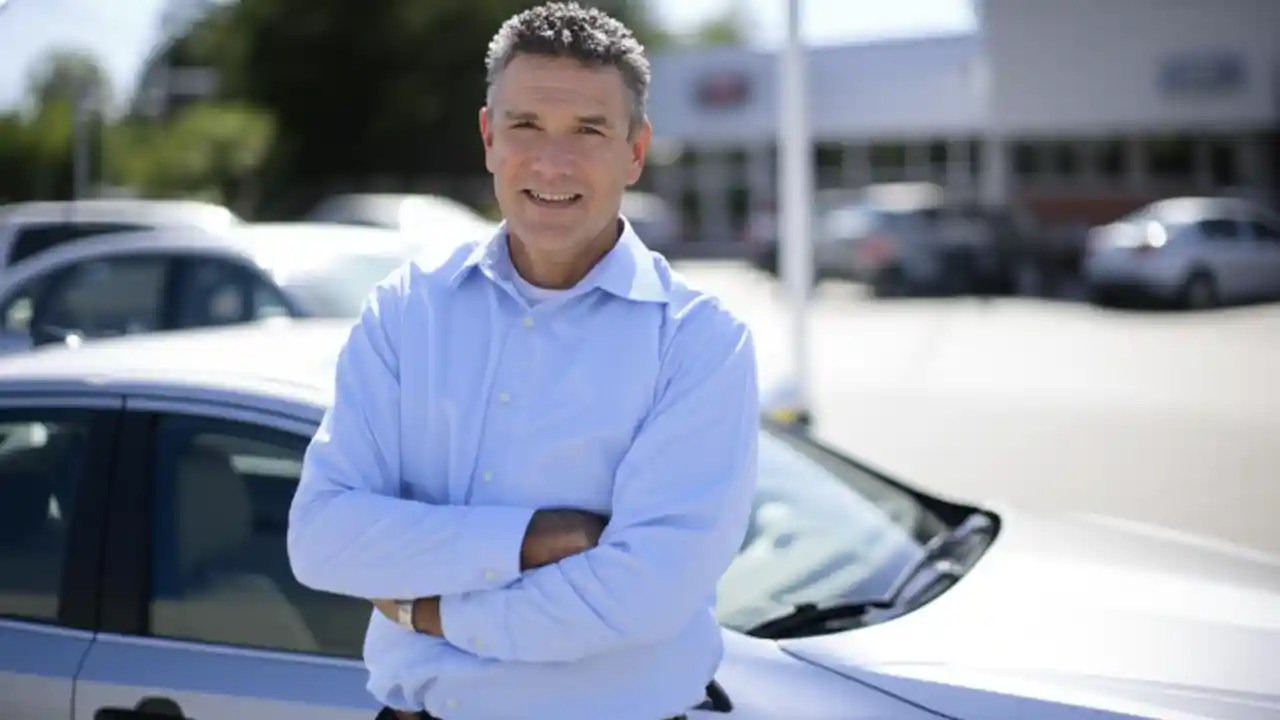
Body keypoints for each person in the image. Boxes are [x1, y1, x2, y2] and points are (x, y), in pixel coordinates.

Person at [286, 3, 759, 719]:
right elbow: (322, 541)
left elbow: (644, 595)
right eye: (526, 125)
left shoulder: (699, 341)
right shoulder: (408, 311)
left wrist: (430, 612)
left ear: (636, 150)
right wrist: (530, 539)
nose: (551, 162)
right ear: (488, 137)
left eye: (589, 131)